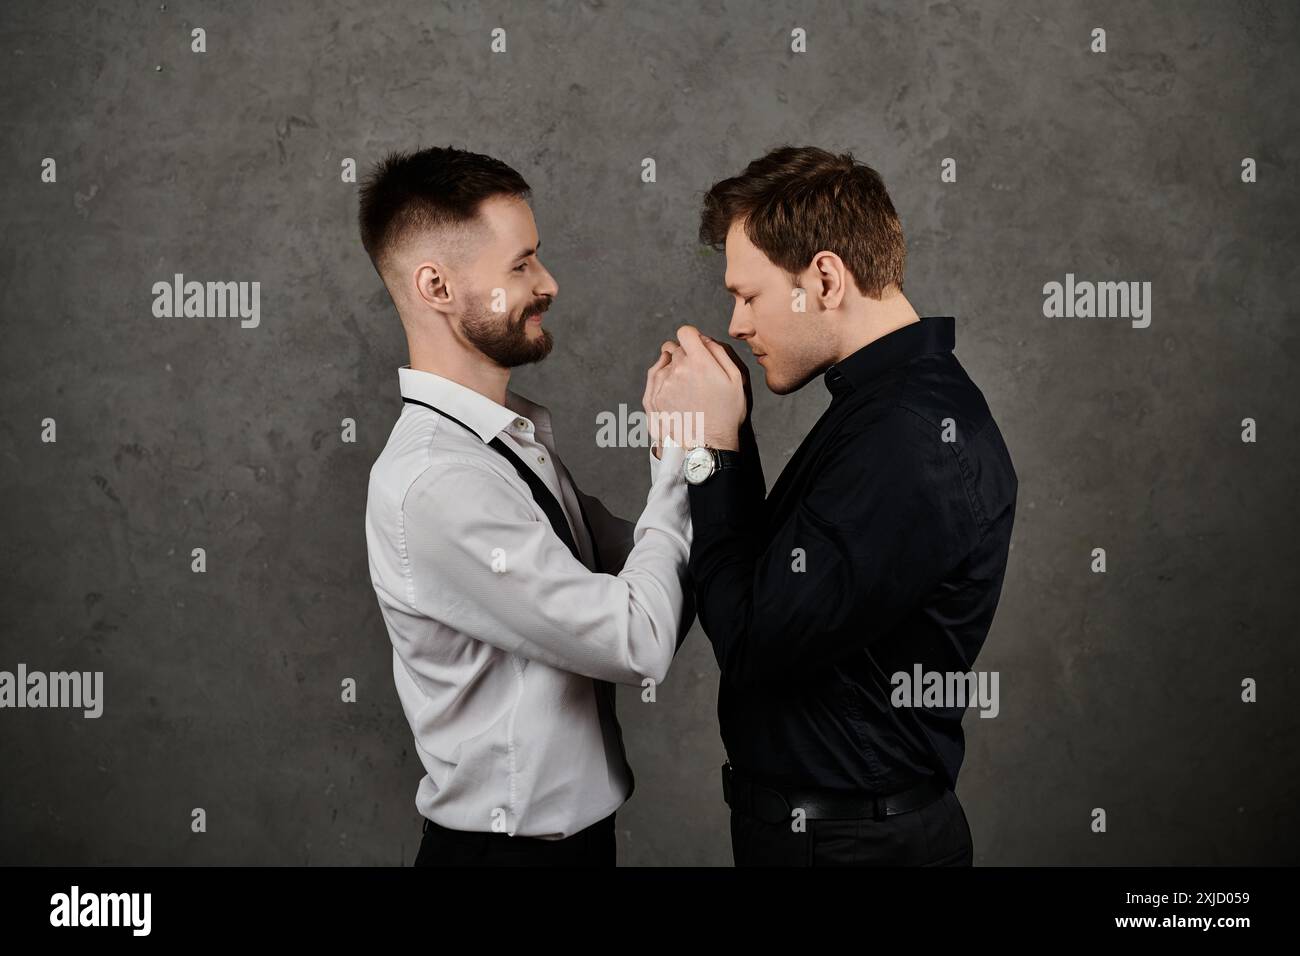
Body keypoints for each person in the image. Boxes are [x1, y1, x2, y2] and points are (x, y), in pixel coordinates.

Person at [645, 145, 1018, 866]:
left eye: (748, 295)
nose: (739, 323)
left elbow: (751, 641)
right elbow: (779, 599)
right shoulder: (890, 409)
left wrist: (711, 448)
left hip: (853, 849)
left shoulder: (907, 438)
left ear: (823, 278)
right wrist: (723, 442)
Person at [361, 146, 693, 866]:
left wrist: (700, 456)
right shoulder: (439, 482)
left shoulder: (503, 441)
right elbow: (637, 640)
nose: (548, 283)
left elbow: (649, 571)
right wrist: (677, 456)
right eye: (521, 265)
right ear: (437, 286)